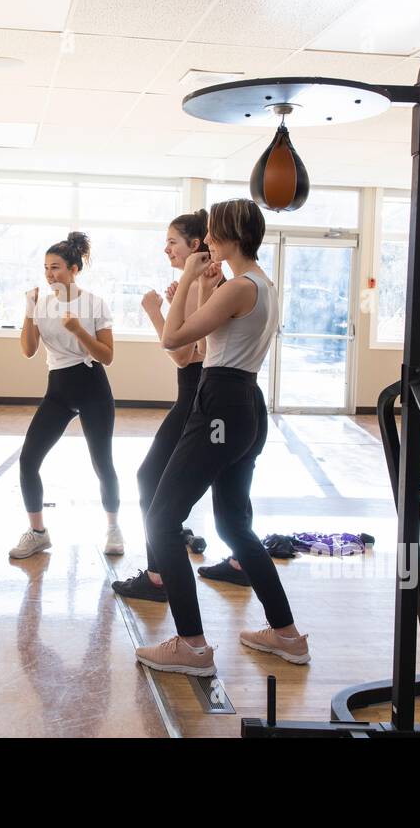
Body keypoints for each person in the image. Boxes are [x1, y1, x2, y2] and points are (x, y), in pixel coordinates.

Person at [134, 199, 308, 675]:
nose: (206, 241)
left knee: (162, 519)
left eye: (212, 234)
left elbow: (176, 343)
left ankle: (191, 645)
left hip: (221, 405)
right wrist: (208, 287)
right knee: (233, 525)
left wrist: (189, 280)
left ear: (231, 237)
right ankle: (287, 636)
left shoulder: (237, 289)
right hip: (246, 402)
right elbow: (214, 343)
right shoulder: (260, 285)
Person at [112, 210, 218, 602]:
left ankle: (158, 576)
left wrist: (154, 311)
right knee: (179, 485)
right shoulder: (195, 284)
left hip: (193, 398)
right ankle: (178, 542)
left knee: (148, 479)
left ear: (195, 245)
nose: (166, 248)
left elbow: (180, 354)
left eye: (173, 241)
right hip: (194, 394)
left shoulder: (195, 285)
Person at [9, 231, 121, 560]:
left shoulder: (94, 303)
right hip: (57, 390)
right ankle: (38, 533)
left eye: (56, 267)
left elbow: (107, 356)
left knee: (102, 463)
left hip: (92, 388)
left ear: (74, 269)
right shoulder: (42, 304)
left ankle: (114, 528)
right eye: (45, 267)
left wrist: (78, 330)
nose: (49, 274)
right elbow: (29, 350)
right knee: (29, 461)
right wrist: (28, 310)